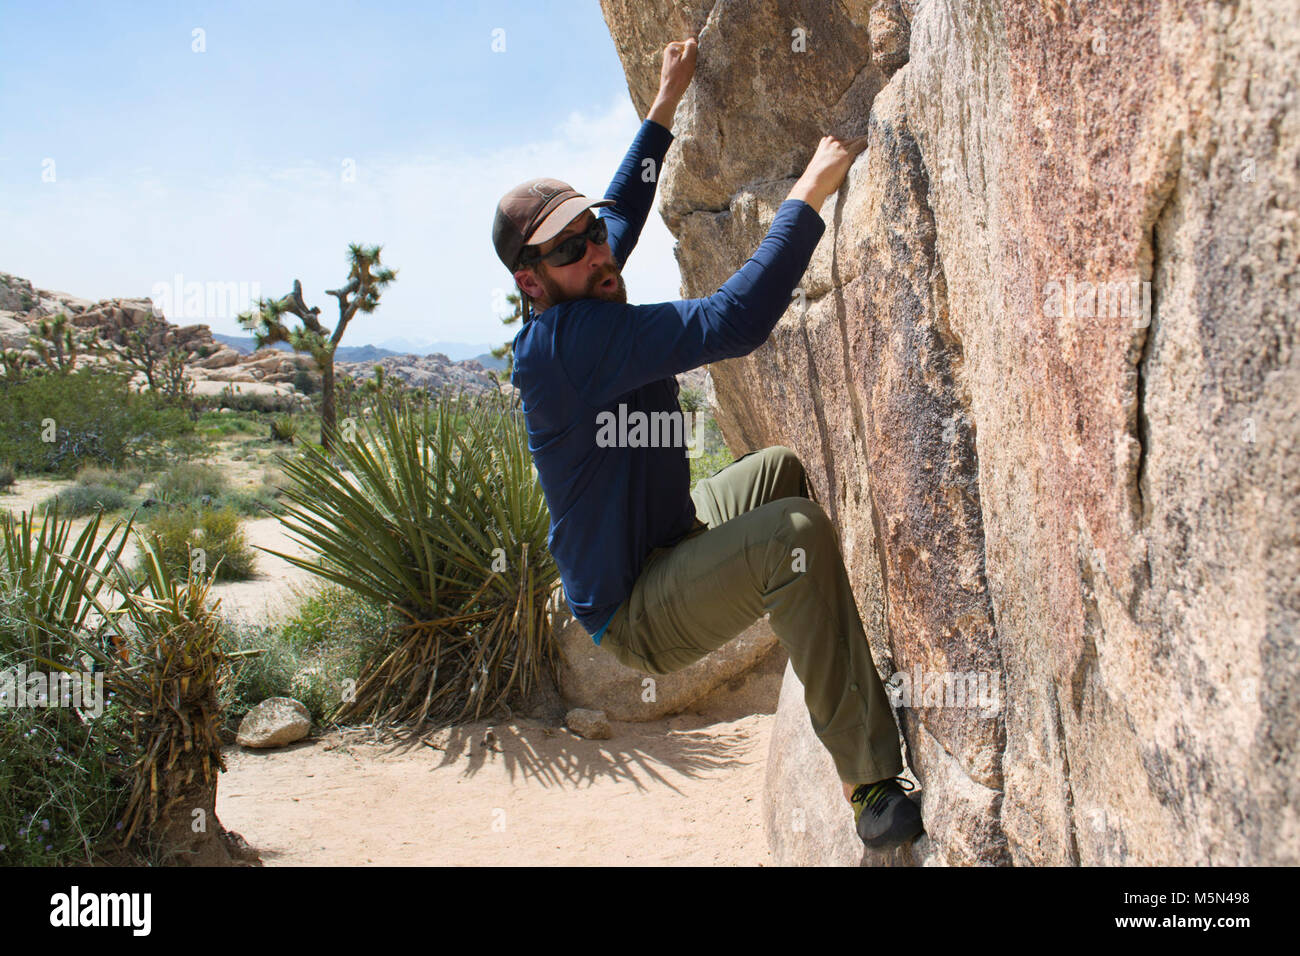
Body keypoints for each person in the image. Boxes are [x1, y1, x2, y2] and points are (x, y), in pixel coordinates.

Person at [491, 37, 922, 849]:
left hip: (671, 536)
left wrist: (665, 102)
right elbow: (734, 321)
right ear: (532, 283)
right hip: (634, 611)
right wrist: (809, 193)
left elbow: (624, 206)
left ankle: (835, 679)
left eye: (590, 233)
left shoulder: (588, 267)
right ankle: (870, 786)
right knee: (791, 539)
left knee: (779, 475)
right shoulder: (564, 346)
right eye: (572, 248)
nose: (598, 249)